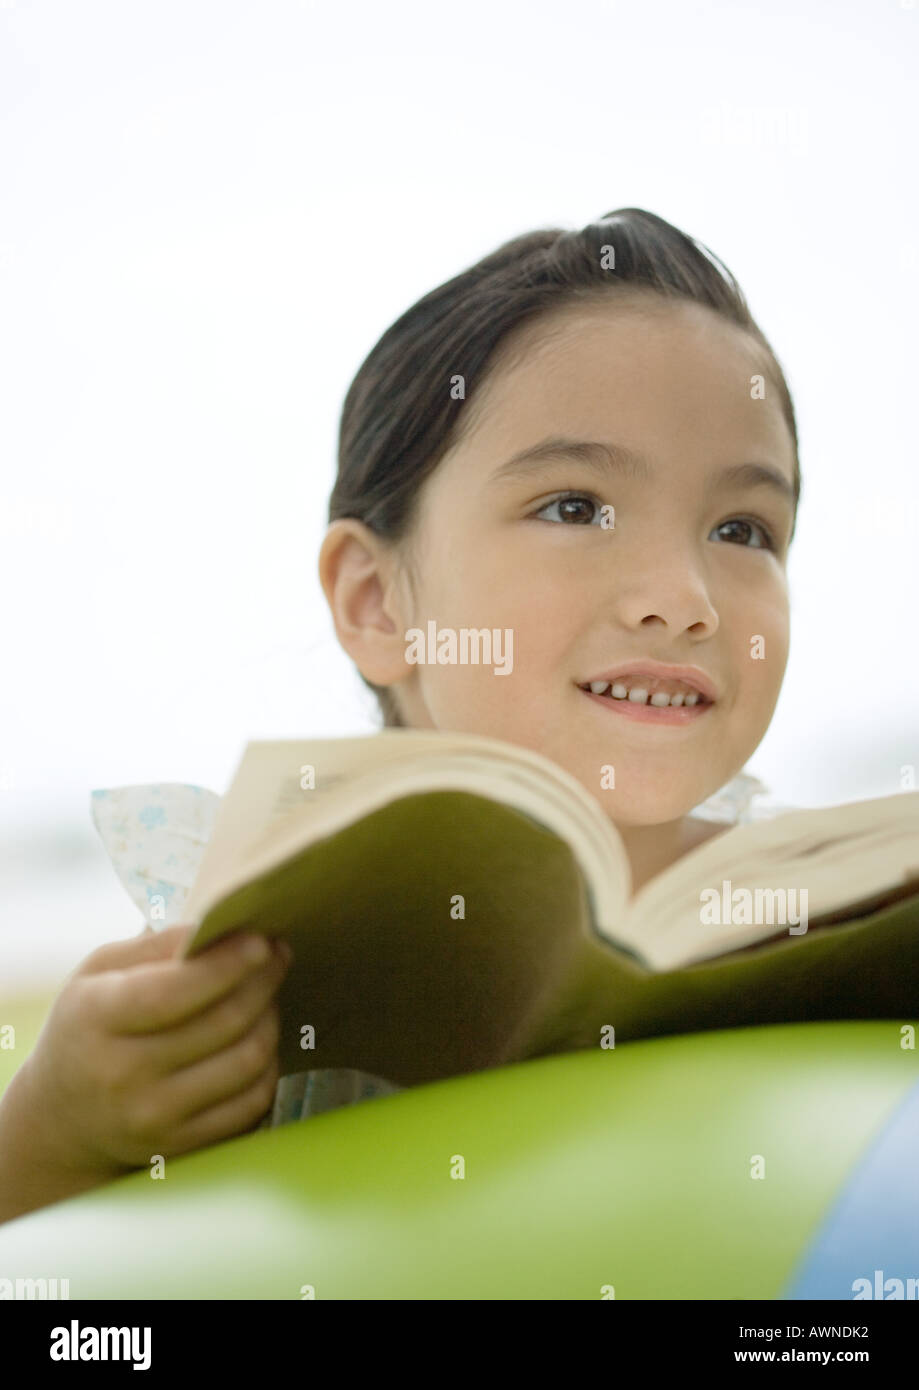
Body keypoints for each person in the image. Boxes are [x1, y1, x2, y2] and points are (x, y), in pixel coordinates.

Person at [0, 207, 801, 1226]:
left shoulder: (808, 896)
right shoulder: (252, 945)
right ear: (379, 603)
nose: (682, 595)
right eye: (573, 506)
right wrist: (58, 1126)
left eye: (743, 528)